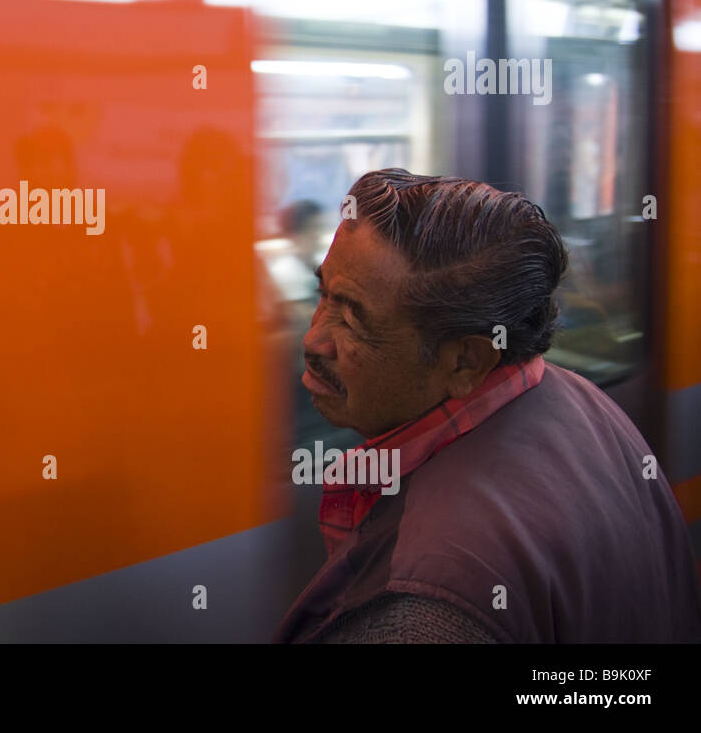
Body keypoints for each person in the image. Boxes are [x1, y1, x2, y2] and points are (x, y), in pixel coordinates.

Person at [275, 168, 701, 643]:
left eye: (354, 320)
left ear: (465, 362)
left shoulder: (424, 606)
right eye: (324, 295)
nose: (313, 338)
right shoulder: (585, 402)